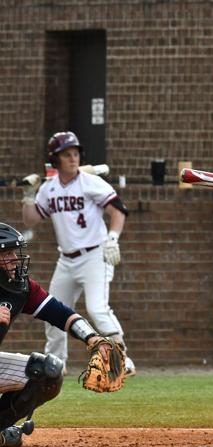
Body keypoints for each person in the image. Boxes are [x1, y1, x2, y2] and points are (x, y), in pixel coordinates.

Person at [21, 131, 135, 376]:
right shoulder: (49, 189)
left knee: (97, 309)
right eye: (66, 155)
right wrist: (29, 195)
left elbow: (118, 210)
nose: (73, 158)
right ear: (55, 159)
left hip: (95, 254)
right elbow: (30, 220)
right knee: (51, 313)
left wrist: (113, 238)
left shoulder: (91, 182)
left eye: (75, 154)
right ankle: (55, 367)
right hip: (66, 259)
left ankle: (122, 358)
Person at [0, 223, 115, 447]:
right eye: (6, 253)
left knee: (47, 372)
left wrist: (93, 338)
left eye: (15, 252)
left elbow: (61, 314)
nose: (15, 259)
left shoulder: (20, 288)